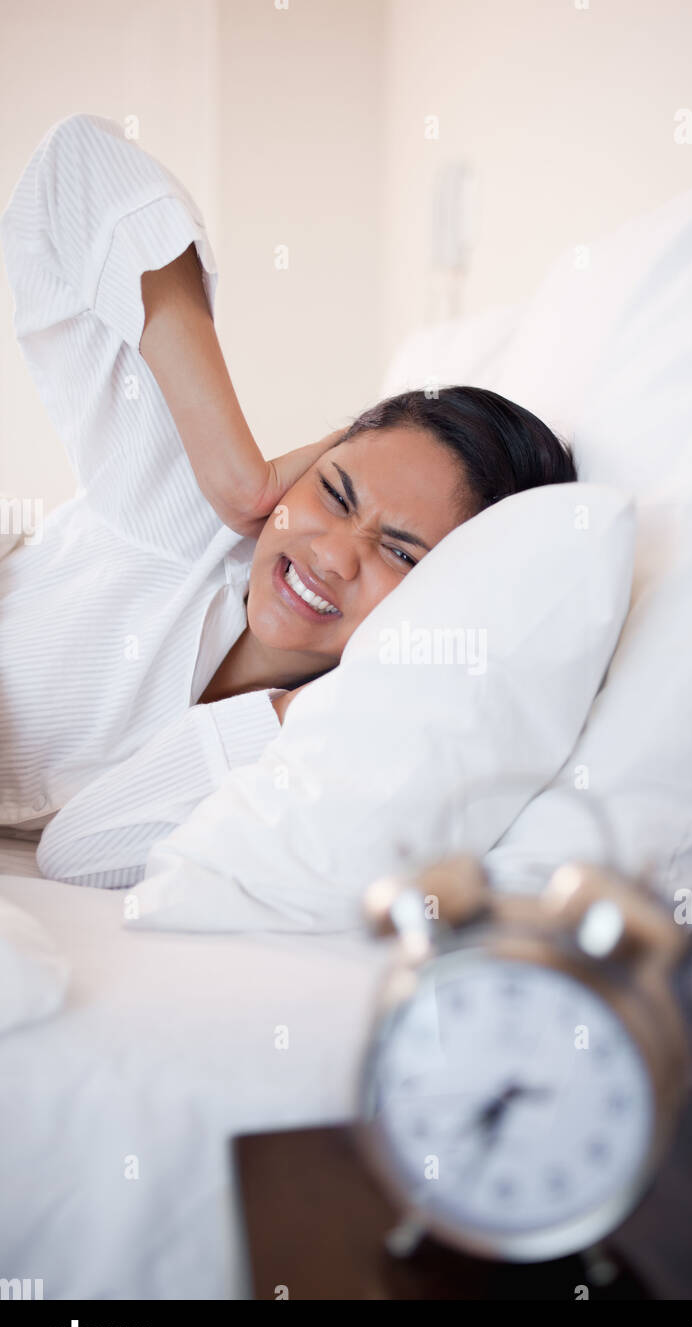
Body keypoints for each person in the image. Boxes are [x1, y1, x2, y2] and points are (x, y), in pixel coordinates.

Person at [0, 114, 574, 886]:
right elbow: (71, 170)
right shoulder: (179, 518)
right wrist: (241, 476)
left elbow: (82, 851)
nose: (333, 554)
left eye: (401, 552)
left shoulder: (317, 733)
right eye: (334, 492)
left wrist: (298, 713)